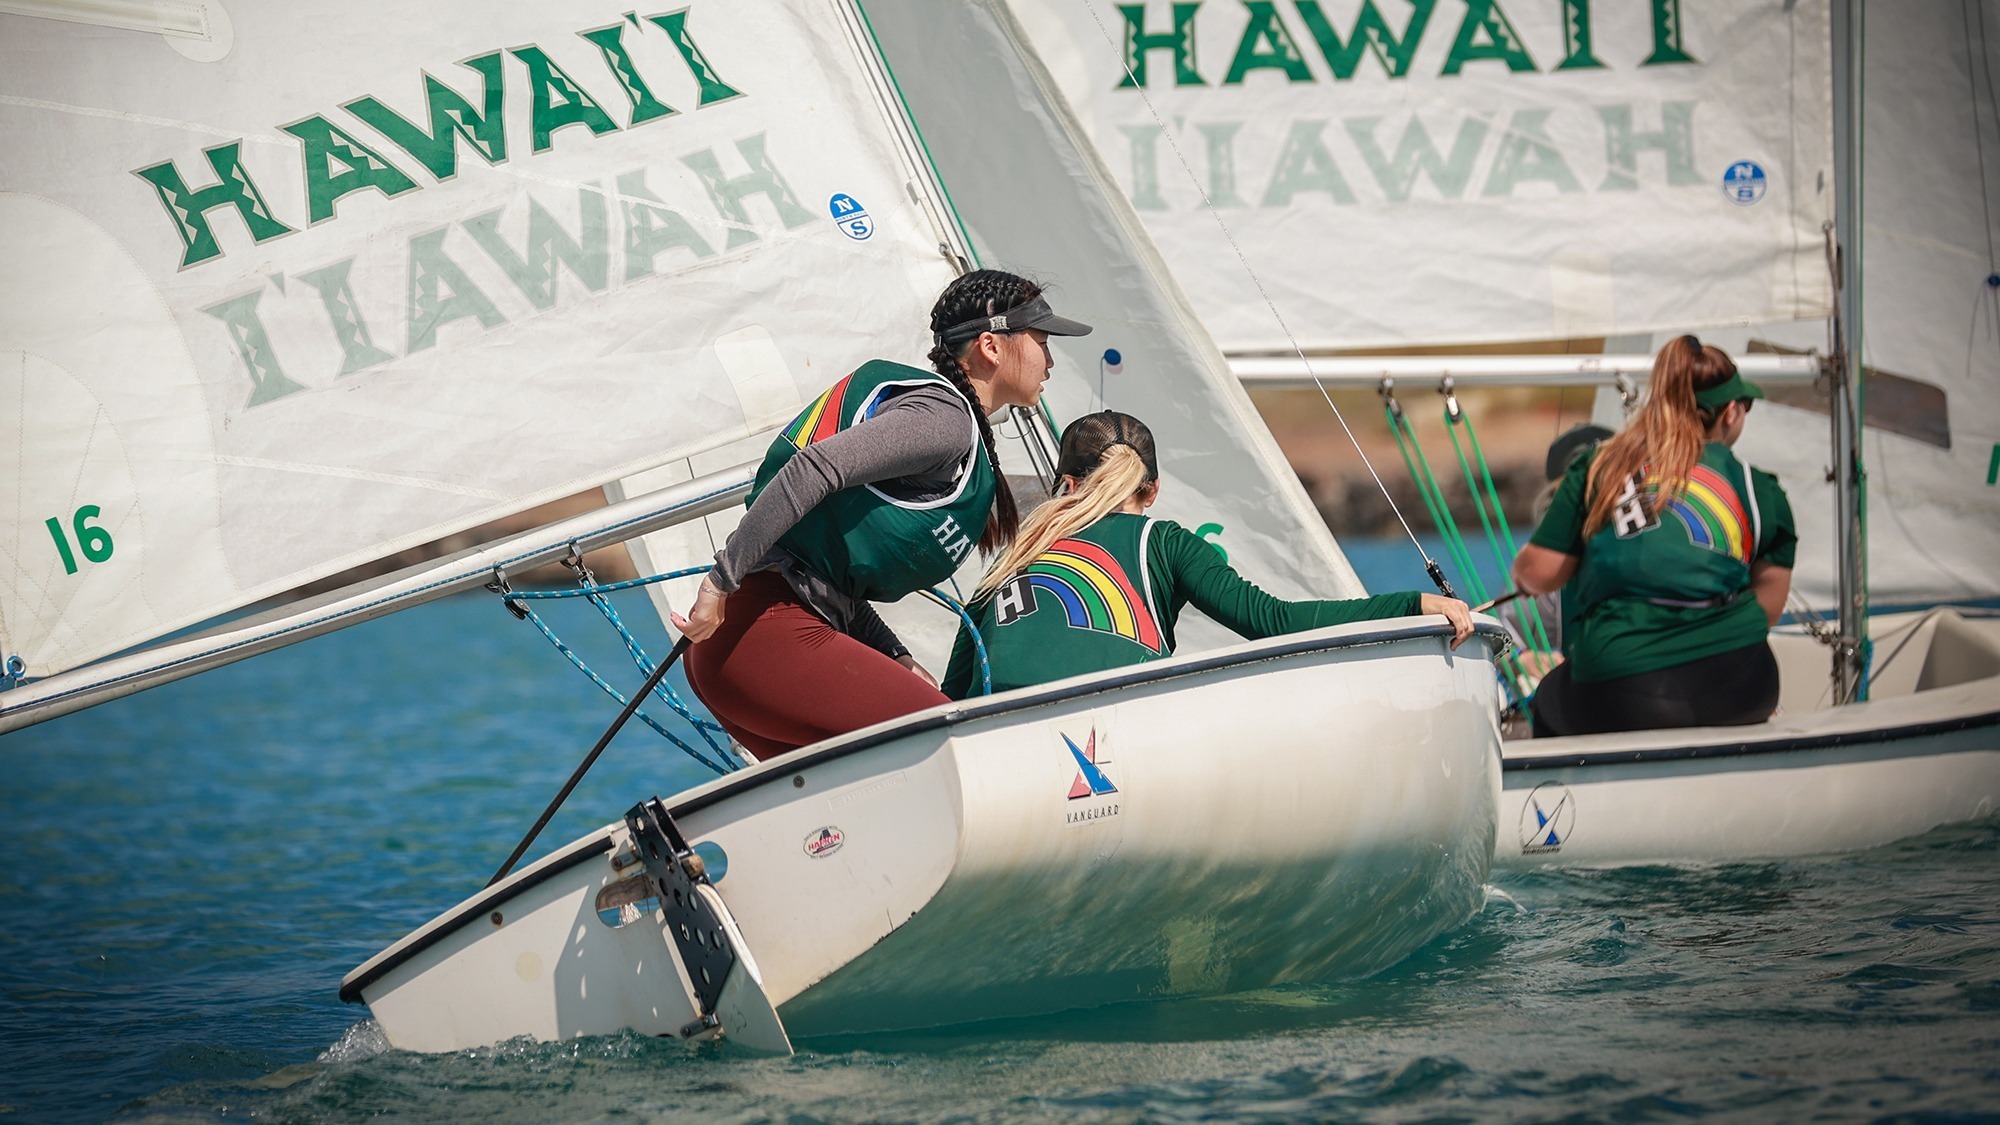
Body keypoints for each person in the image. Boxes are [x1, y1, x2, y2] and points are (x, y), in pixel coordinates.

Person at [674, 270, 1092, 759]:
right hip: (760, 637)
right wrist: (720, 581)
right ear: (991, 346)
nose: (1051, 360)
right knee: (958, 747)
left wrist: (895, 656)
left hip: (750, 647)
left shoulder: (956, 429)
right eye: (1042, 341)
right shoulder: (944, 420)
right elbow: (813, 468)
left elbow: (836, 576)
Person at [940, 411, 1473, 698]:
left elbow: (952, 694)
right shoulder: (1165, 541)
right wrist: (1412, 605)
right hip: (1110, 742)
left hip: (999, 746)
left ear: (1066, 485)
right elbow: (1276, 623)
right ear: (1151, 492)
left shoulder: (1016, 554)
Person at [1512, 336, 1796, 736]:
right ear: (1730, 413)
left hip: (1626, 690)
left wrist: (1525, 572)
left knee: (1550, 698)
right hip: (1746, 687)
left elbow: (1540, 573)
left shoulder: (1599, 468)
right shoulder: (1760, 489)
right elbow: (1767, 609)